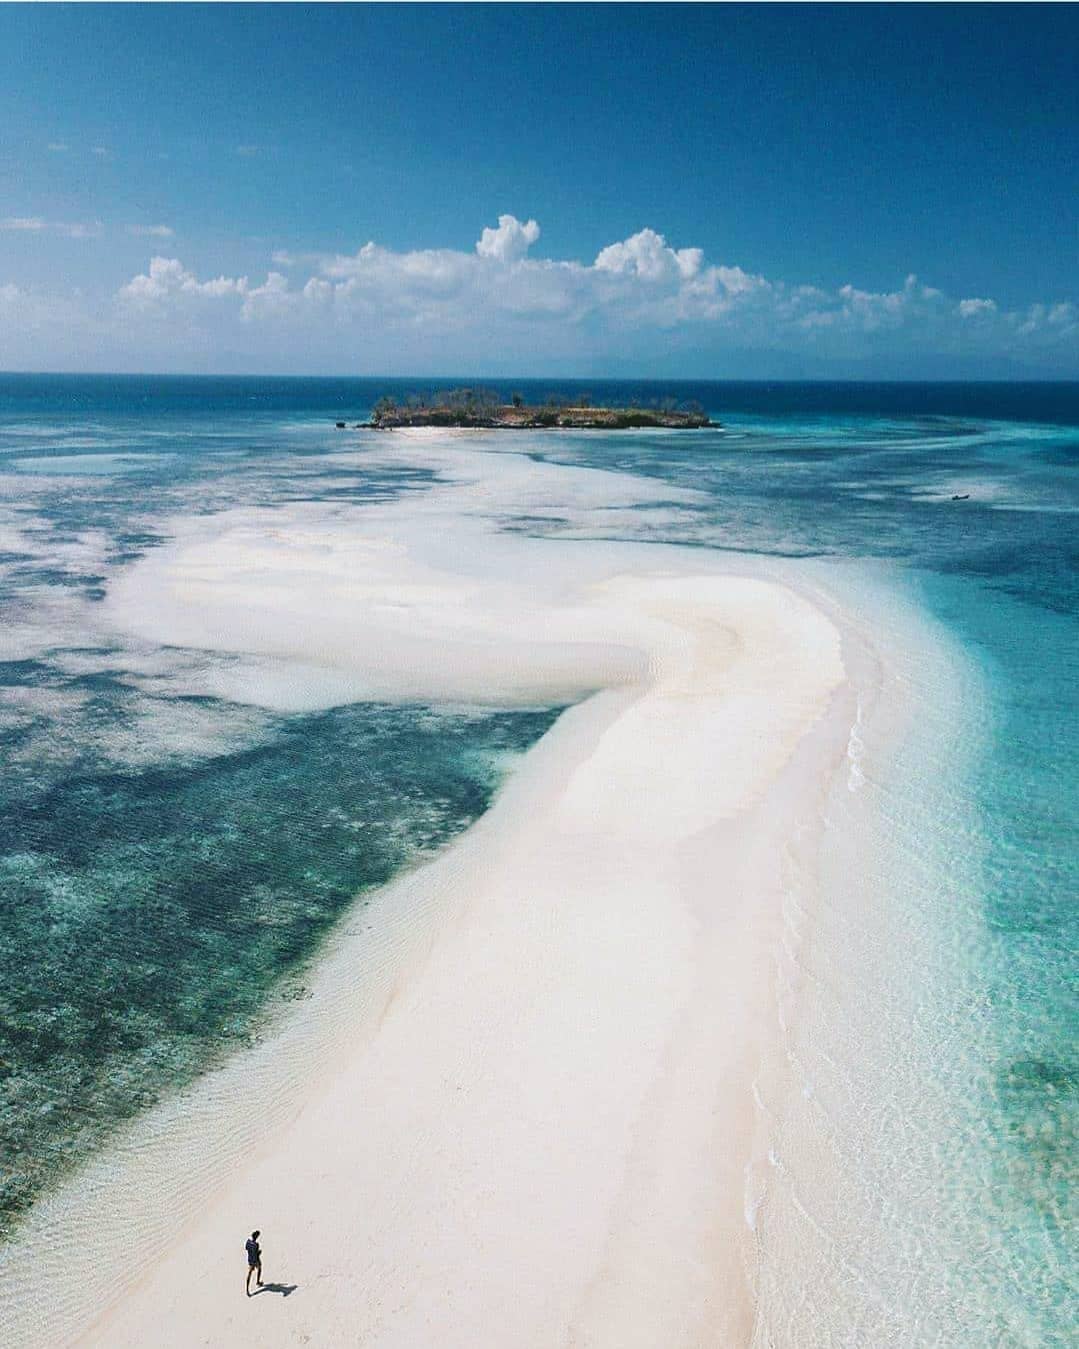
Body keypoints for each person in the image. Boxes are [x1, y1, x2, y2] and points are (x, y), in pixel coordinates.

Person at [245, 1230, 263, 1295]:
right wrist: (259, 1253)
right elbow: (256, 1254)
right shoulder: (256, 1245)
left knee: (249, 1274)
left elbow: (246, 1248)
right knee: (259, 1268)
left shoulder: (248, 1242)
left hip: (250, 1260)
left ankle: (247, 1289)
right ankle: (258, 1282)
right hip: (255, 1260)